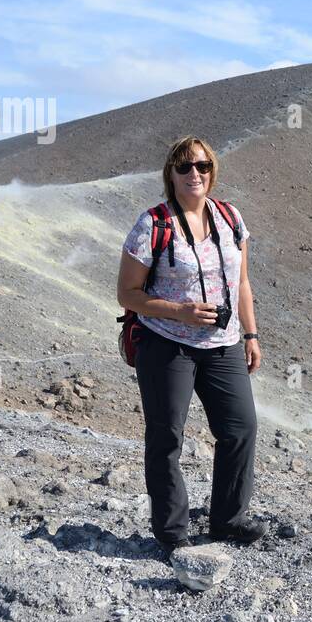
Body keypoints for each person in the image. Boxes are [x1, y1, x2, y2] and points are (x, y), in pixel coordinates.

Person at [116, 136, 265, 555]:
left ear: (212, 171)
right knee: (166, 438)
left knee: (240, 429)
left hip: (224, 343)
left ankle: (228, 521)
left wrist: (250, 335)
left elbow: (243, 282)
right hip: (167, 344)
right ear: (171, 174)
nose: (194, 174)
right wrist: (178, 311)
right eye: (184, 167)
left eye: (201, 166)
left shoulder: (231, 217)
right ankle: (172, 533)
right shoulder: (153, 225)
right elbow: (127, 294)